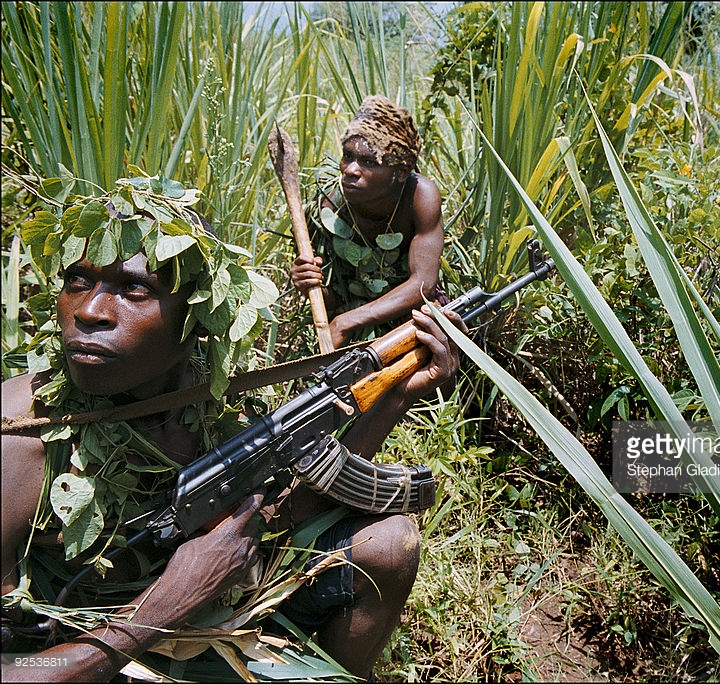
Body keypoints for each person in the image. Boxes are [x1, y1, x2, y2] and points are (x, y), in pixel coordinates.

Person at [1, 175, 465, 681]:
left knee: (388, 541)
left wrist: (394, 394)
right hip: (71, 657)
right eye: (78, 281)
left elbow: (276, 520)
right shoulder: (22, 432)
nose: (90, 311)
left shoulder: (209, 406)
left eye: (134, 288)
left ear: (197, 321)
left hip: (197, 631)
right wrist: (164, 608)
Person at [291, 95, 445, 348]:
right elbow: (334, 297)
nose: (351, 170)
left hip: (412, 314)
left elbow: (423, 285)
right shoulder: (330, 209)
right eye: (347, 156)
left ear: (400, 172)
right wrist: (306, 281)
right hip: (354, 321)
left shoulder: (420, 197)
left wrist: (346, 322)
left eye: (368, 162)